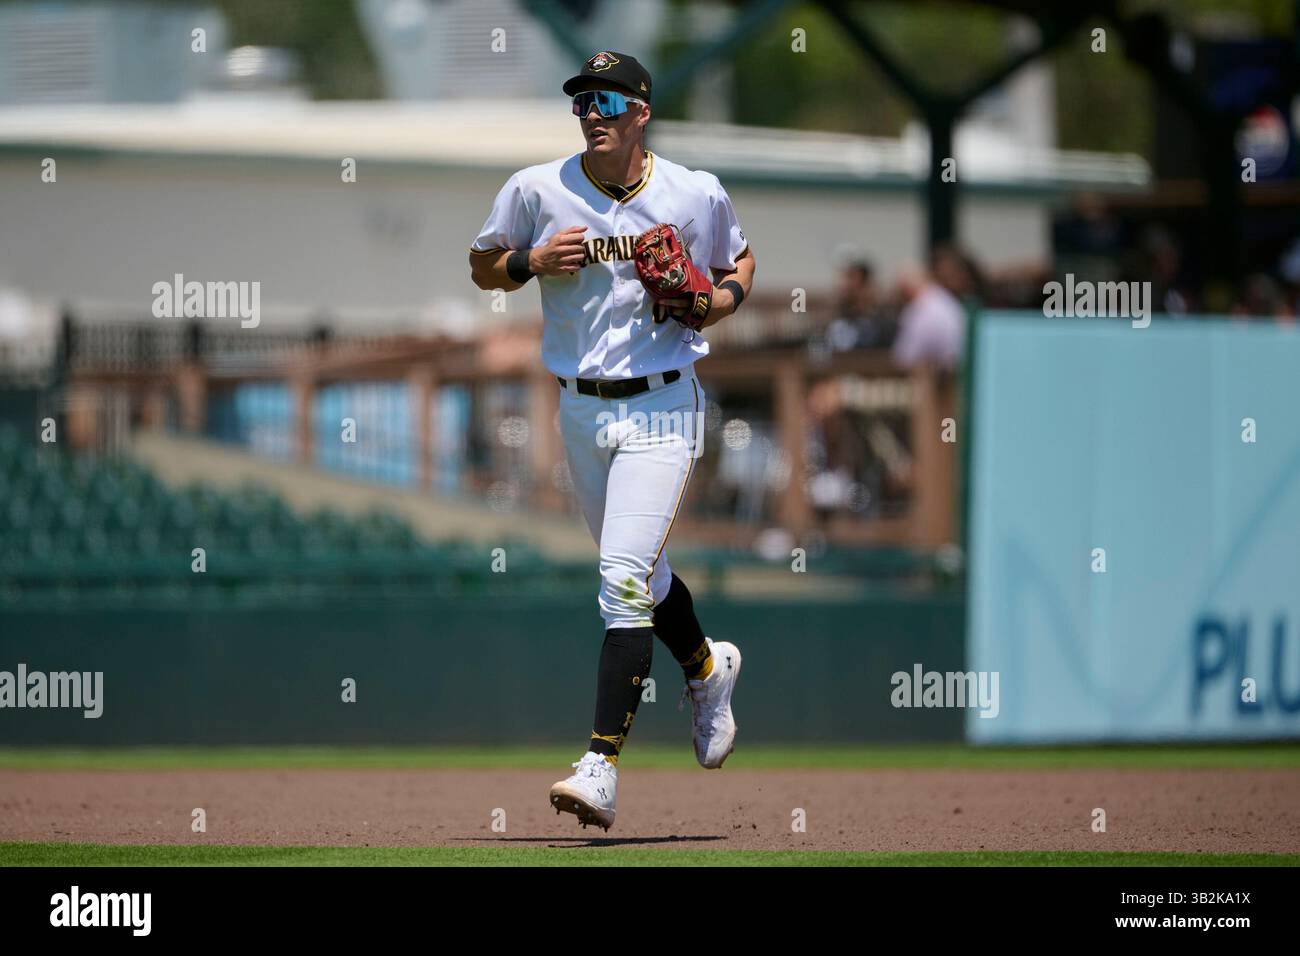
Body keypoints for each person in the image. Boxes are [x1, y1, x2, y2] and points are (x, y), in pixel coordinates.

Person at [468, 51, 755, 831]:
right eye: (580, 101)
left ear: (640, 111)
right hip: (580, 409)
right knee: (645, 575)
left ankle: (599, 767)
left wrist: (717, 302)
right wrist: (527, 261)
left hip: (664, 403)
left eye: (605, 99)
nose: (590, 113)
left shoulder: (692, 191)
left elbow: (738, 262)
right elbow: (481, 264)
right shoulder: (538, 188)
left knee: (622, 577)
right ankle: (705, 667)